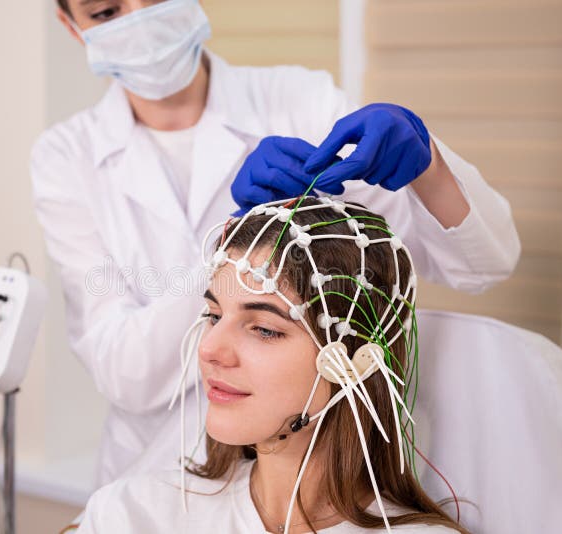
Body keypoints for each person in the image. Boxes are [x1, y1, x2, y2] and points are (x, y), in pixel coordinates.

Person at [30, 0, 521, 486]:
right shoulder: (65, 158)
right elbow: (125, 373)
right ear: (71, 26)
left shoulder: (301, 101)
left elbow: (480, 266)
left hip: (317, 464)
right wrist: (235, 237)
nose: (141, 19)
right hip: (160, 473)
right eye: (107, 10)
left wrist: (428, 167)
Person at [75, 196, 468, 533]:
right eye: (214, 316)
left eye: (263, 329)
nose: (210, 349)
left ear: (355, 360)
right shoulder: (130, 515)